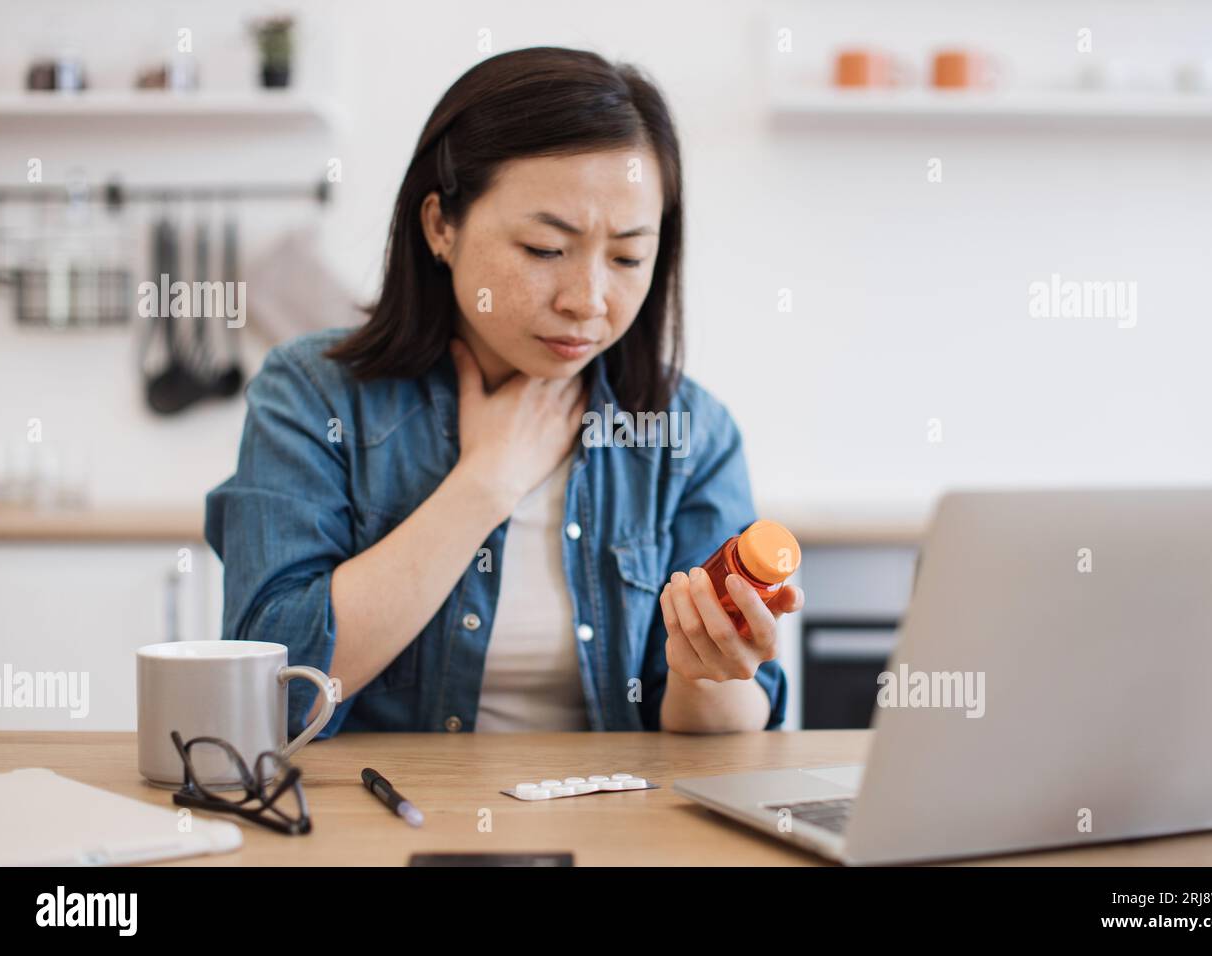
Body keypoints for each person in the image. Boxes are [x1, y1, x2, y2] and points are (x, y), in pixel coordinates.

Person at [205, 47, 803, 738]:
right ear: (440, 226)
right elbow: (265, 697)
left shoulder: (690, 432)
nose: (587, 301)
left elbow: (715, 748)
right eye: (545, 249)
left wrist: (708, 673)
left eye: (628, 257)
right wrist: (484, 483)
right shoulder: (313, 395)